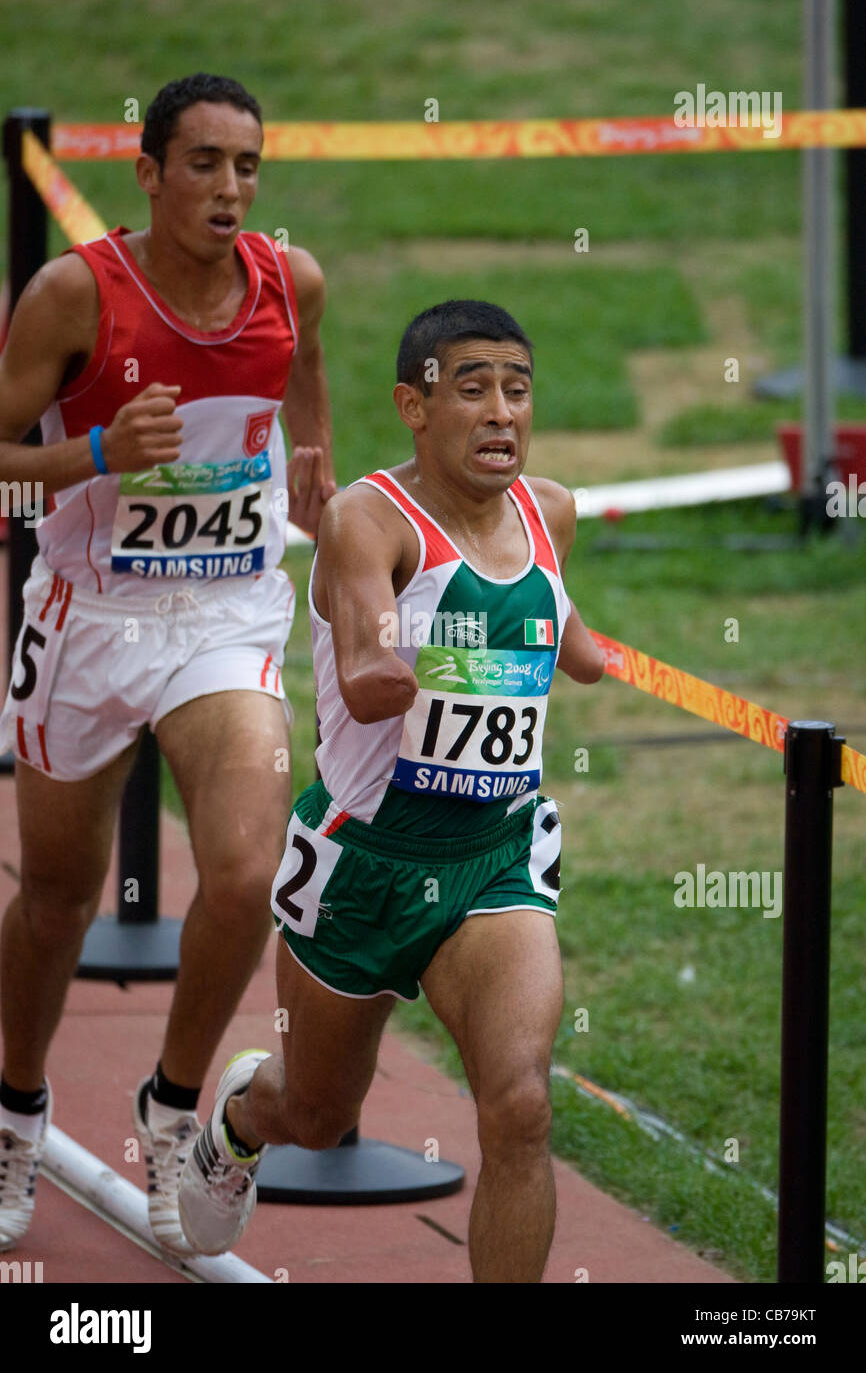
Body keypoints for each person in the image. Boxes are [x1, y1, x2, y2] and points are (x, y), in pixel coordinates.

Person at [178, 299, 605, 1283]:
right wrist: (434, 662)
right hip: (364, 865)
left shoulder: (551, 510)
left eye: (516, 389)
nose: (500, 412)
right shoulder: (366, 518)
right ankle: (243, 1120)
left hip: (491, 857)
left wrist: (619, 664)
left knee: (519, 1106)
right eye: (472, 389)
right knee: (317, 1116)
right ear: (412, 407)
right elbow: (368, 664)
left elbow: (571, 645)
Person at [0, 73, 335, 1254]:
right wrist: (89, 451)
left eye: (247, 166)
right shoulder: (69, 296)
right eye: (203, 164)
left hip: (224, 617)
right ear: (146, 174)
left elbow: (301, 376)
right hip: (90, 616)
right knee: (55, 900)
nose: (230, 189)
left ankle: (178, 1104)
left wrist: (311, 455)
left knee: (247, 872)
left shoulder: (287, 283)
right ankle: (16, 1107)